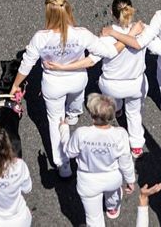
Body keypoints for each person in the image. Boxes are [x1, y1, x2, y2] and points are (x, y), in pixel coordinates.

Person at [8, 0, 115, 177]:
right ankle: (73, 116)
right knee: (76, 99)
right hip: (77, 79)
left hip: (53, 84)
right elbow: (108, 52)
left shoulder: (40, 38)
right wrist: (86, 62)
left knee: (55, 120)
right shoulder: (82, 34)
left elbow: (27, 63)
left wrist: (16, 85)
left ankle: (62, 164)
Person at [63, 94, 137, 224]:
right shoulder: (120, 134)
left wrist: (63, 130)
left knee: (93, 218)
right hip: (112, 177)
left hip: (88, 181)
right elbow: (126, 162)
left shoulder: (81, 133)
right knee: (113, 193)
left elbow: (69, 153)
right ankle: (112, 208)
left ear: (92, 114)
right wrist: (130, 180)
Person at [95, 0, 151, 159]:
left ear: (112, 13)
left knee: (115, 101)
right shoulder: (143, 30)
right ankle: (136, 146)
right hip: (135, 85)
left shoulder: (105, 35)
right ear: (132, 10)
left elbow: (97, 56)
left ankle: (117, 108)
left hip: (111, 85)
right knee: (134, 113)